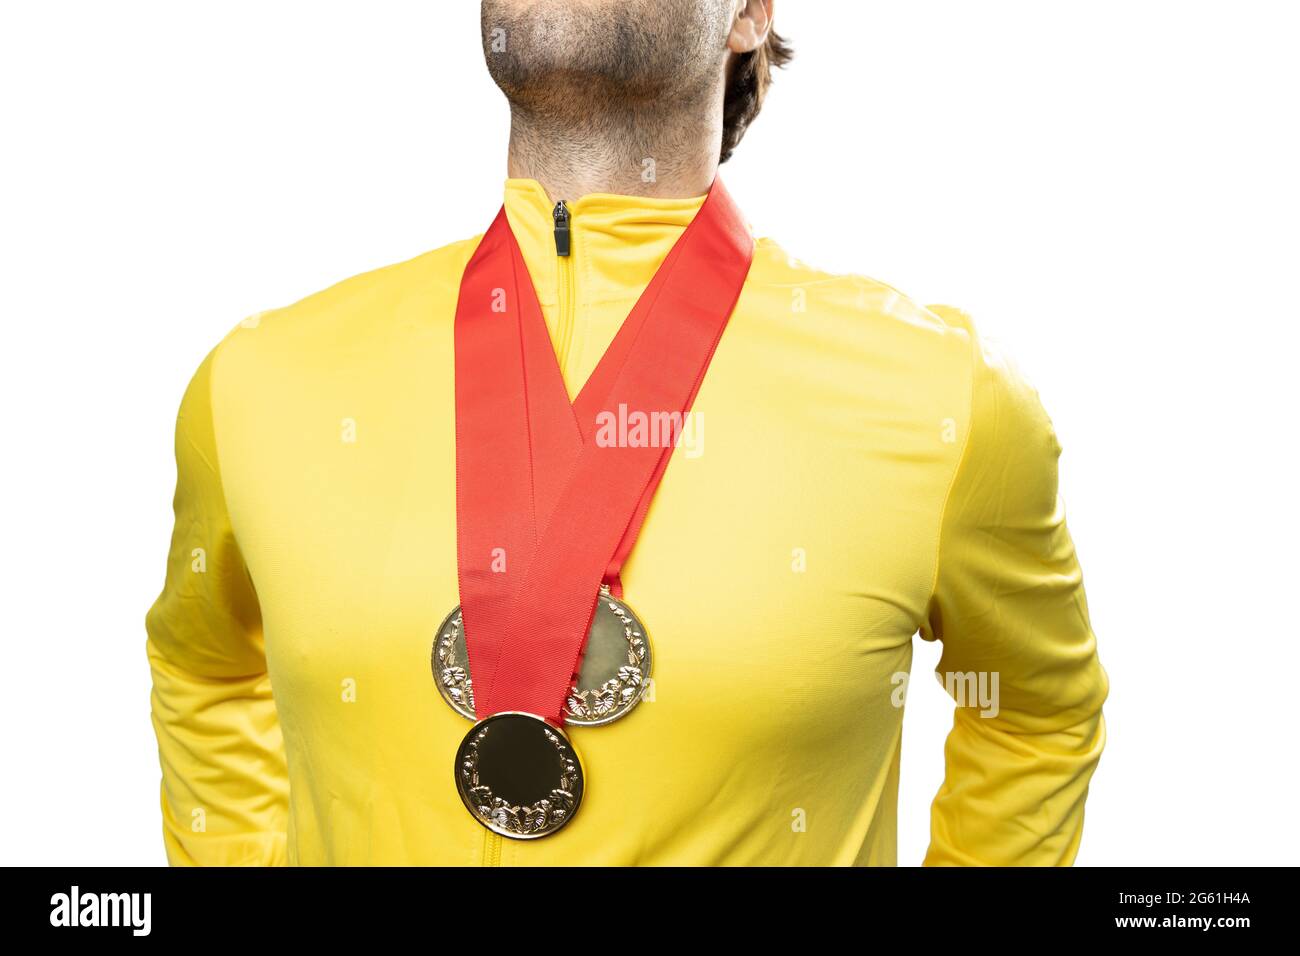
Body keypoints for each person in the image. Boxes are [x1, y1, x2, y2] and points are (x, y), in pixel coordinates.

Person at [145, 0, 1108, 866]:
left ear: (747, 16)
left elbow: (1035, 714)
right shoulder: (258, 382)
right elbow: (204, 665)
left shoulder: (943, 398)